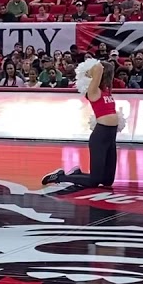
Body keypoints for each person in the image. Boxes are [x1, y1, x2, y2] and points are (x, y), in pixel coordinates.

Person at [42, 58, 122, 188]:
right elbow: (98, 69)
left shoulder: (106, 90)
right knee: (94, 181)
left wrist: (108, 68)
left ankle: (77, 173)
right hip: (100, 136)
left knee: (107, 181)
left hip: (111, 136)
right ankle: (60, 176)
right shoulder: (93, 91)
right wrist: (98, 66)